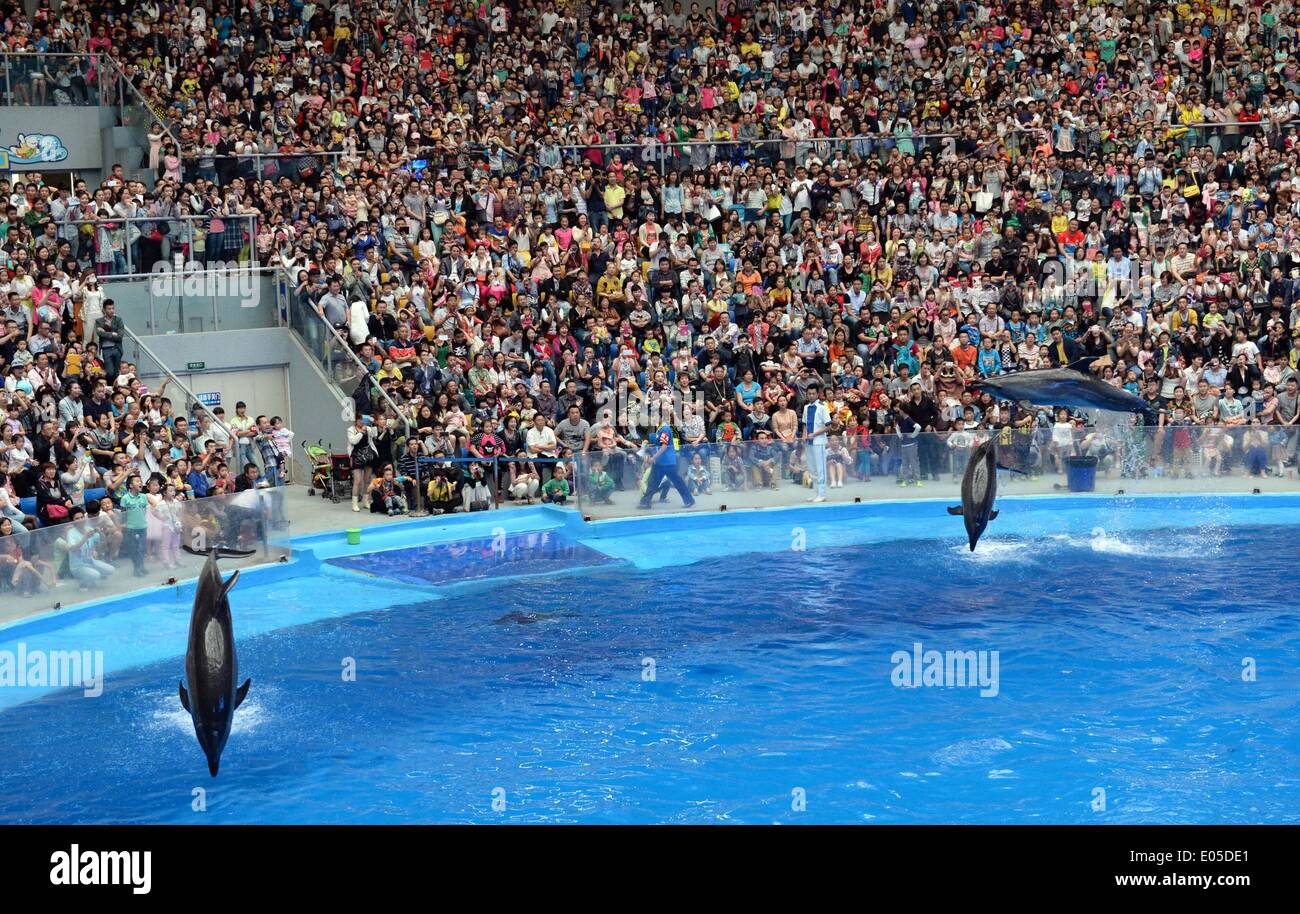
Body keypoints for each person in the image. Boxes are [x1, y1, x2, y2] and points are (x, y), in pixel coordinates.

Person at [637, 424, 695, 510]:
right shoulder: (659, 429)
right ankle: (645, 502)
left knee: (677, 482)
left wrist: (653, 457)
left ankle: (689, 500)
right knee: (652, 482)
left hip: (667, 462)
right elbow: (658, 444)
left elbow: (664, 446)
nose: (652, 418)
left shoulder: (665, 429)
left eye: (655, 415)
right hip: (660, 463)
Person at [802, 382, 832, 502]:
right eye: (809, 393)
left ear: (818, 394)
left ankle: (822, 493)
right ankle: (816, 493)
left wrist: (814, 434)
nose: (811, 395)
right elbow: (804, 424)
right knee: (812, 469)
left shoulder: (822, 407)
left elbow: (828, 426)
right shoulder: (805, 407)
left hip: (819, 441)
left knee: (820, 468)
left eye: (813, 393)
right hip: (808, 442)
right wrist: (804, 434)